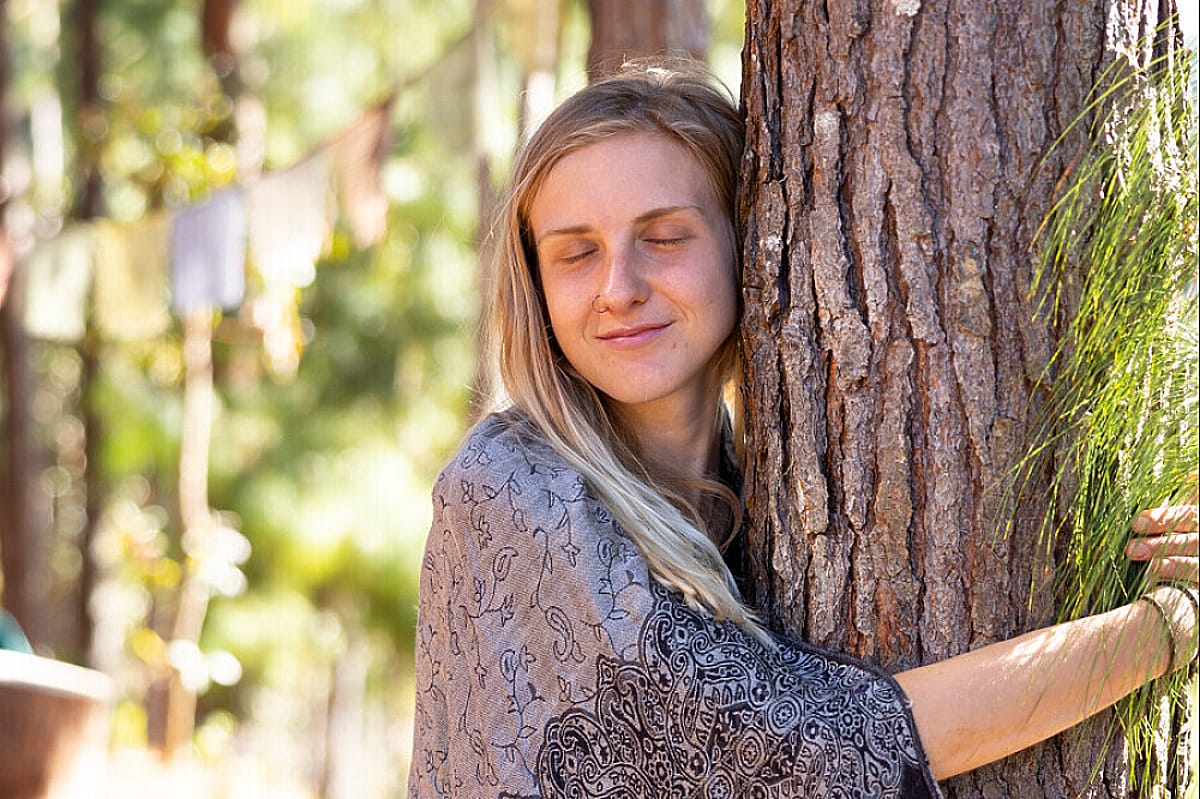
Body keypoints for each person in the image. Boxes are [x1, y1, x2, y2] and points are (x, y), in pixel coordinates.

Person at [407, 60, 1199, 798]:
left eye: (665, 237)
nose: (619, 287)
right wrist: (1167, 625)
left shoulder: (755, 495)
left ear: (745, 245)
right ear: (536, 283)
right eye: (576, 253)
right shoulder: (508, 489)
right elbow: (802, 749)